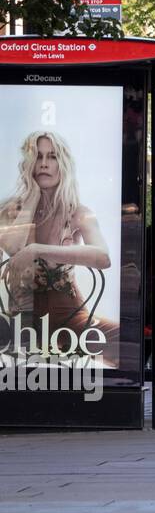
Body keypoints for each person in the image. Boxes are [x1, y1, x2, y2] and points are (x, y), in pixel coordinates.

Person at [0, 131, 116, 353]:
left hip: (70, 315)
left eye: (52, 157)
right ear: (28, 163)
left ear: (62, 164)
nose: (44, 164)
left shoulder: (77, 213)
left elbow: (103, 257)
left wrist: (37, 249)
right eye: (37, 156)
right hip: (20, 320)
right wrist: (31, 199)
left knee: (121, 343)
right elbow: (14, 250)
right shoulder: (8, 211)